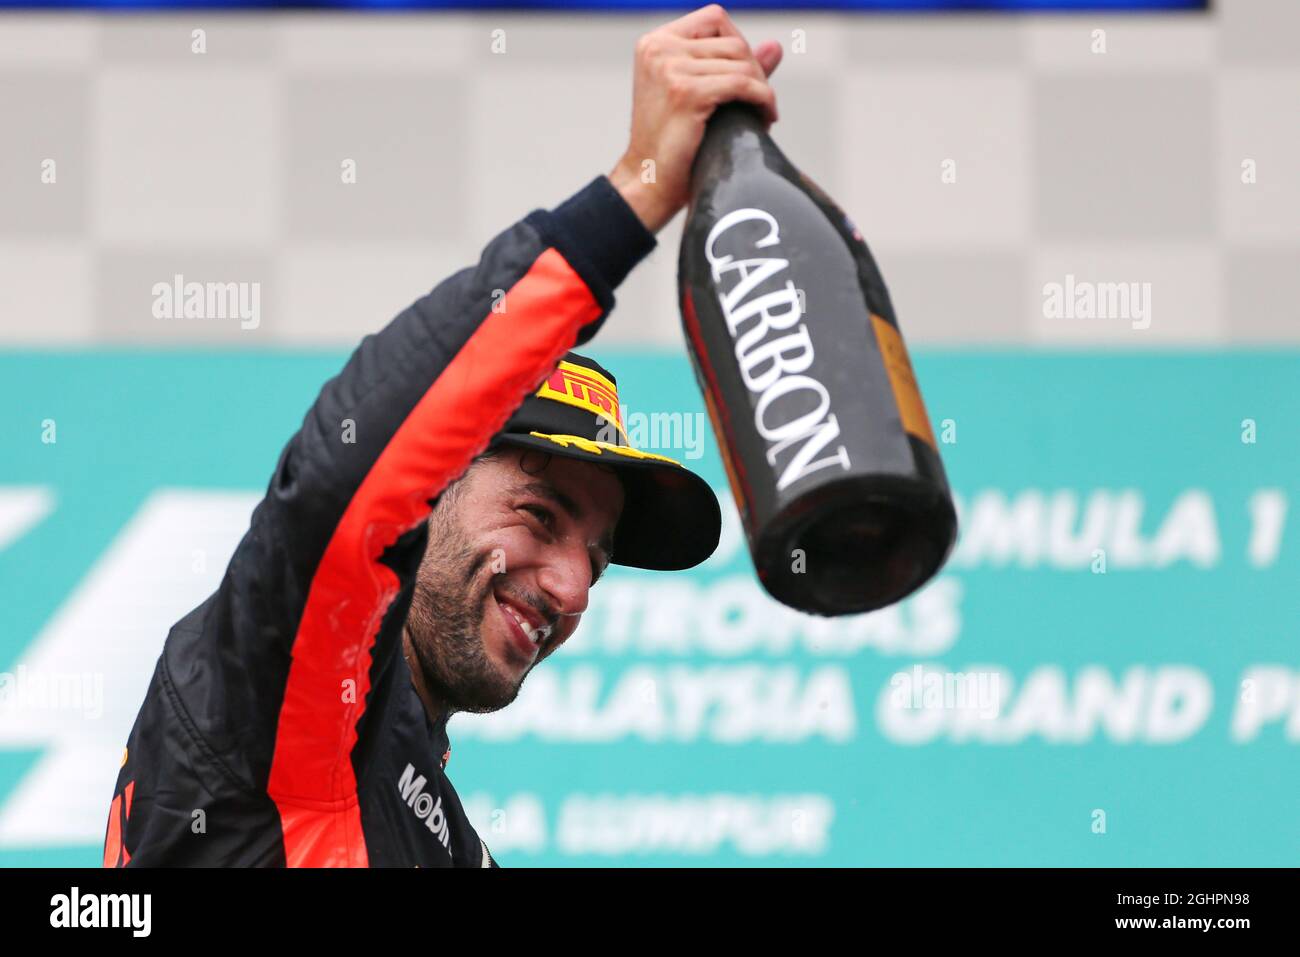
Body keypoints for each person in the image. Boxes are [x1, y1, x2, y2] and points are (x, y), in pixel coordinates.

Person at [102, 4, 782, 867]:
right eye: (539, 514)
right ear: (431, 491)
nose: (573, 585)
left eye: (597, 559)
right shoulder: (288, 698)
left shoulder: (438, 828)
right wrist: (638, 194)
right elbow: (341, 487)